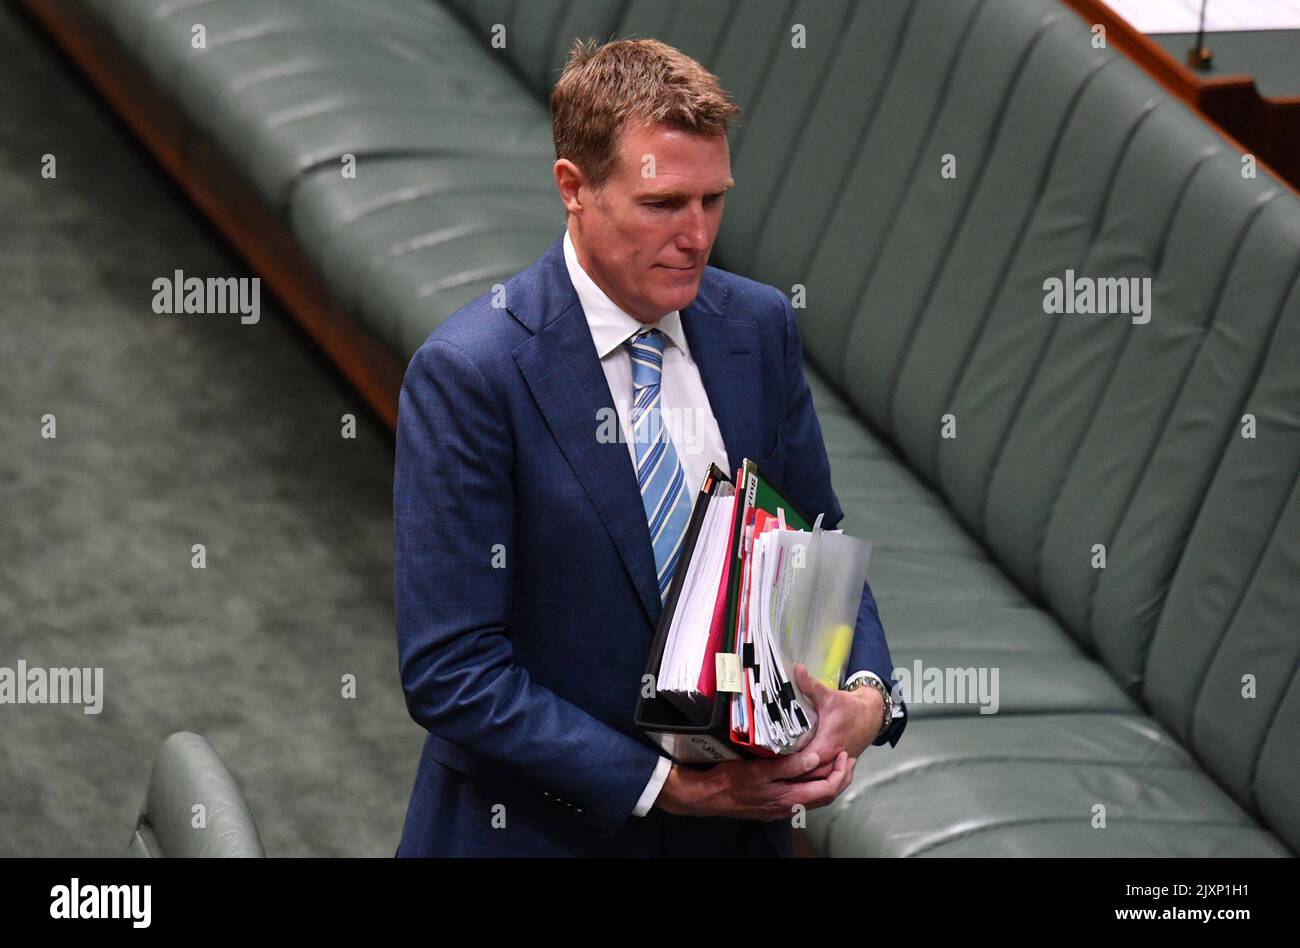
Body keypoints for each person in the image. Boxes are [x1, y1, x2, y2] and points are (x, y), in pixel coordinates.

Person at [394, 37, 906, 858]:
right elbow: (453, 670)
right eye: (664, 205)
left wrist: (866, 697)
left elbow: (816, 544)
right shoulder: (472, 375)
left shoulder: (758, 328)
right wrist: (671, 789)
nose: (697, 236)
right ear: (575, 188)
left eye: (713, 201)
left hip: (742, 836)